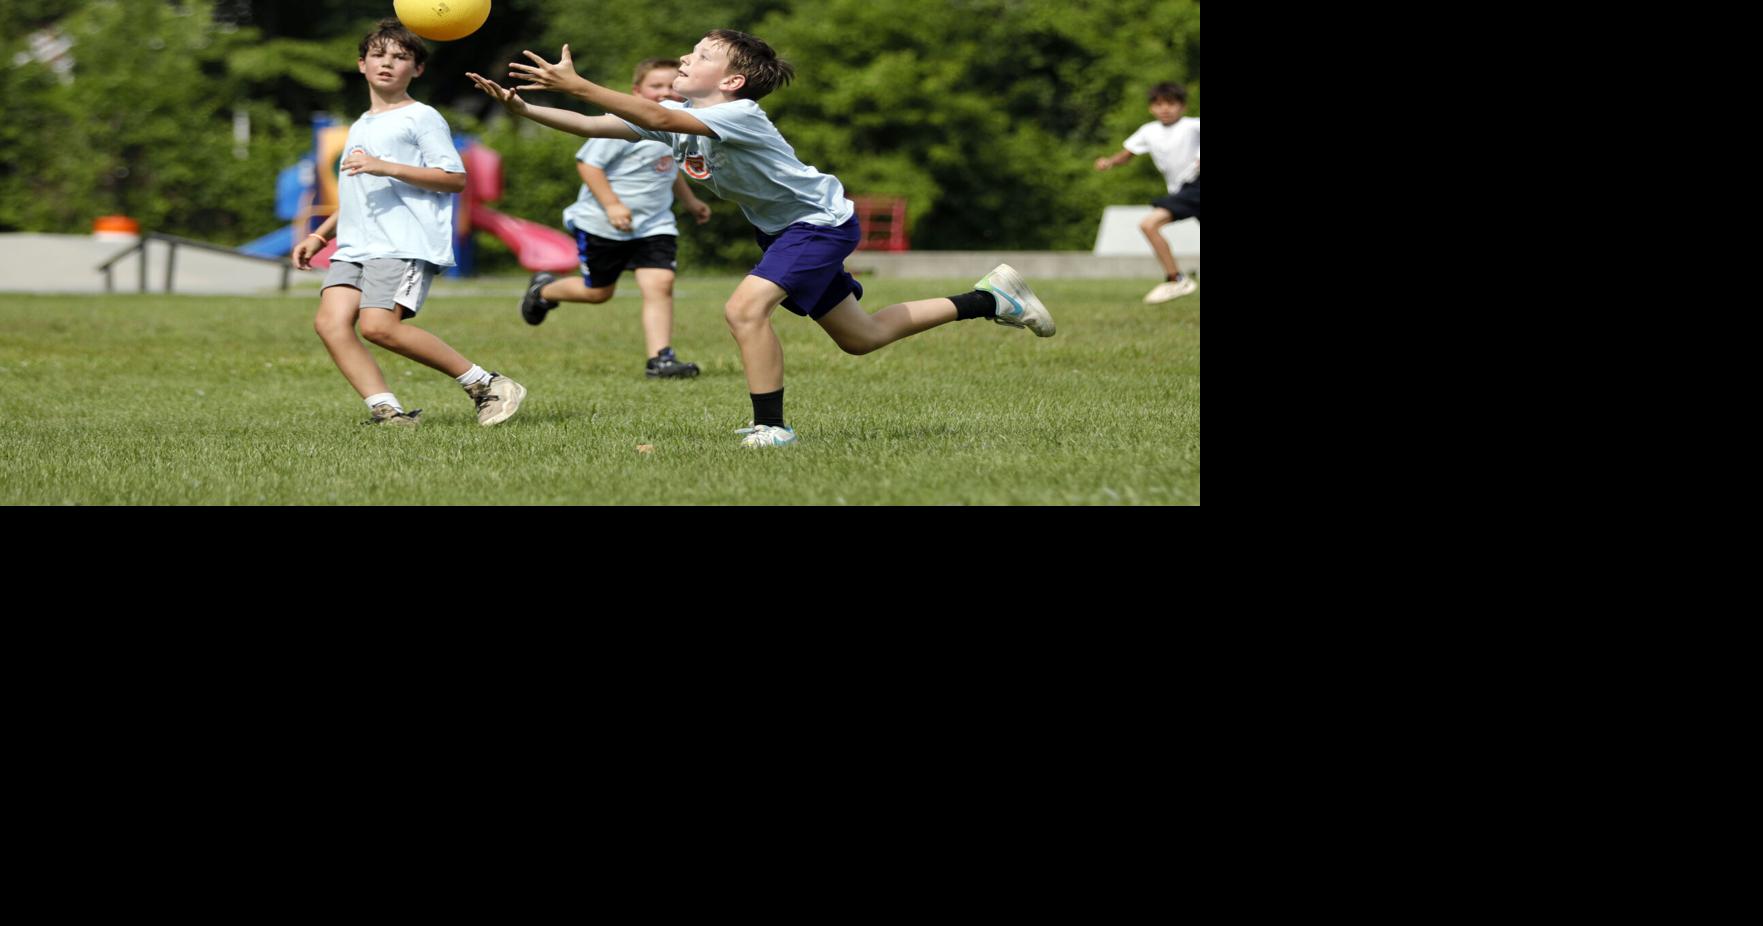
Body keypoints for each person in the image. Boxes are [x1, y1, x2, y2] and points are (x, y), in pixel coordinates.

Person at [468, 30, 1053, 448]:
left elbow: (656, 119)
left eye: (697, 54)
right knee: (861, 335)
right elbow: (599, 126)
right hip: (783, 232)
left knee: (744, 310)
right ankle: (991, 299)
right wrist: (524, 107)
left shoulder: (738, 114)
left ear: (732, 80)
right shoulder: (681, 115)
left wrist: (579, 84)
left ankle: (772, 426)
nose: (682, 57)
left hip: (816, 225)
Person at [294, 18, 525, 428]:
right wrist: (319, 234)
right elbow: (356, 193)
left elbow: (454, 179)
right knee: (329, 323)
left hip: (401, 243)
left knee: (379, 327)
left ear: (416, 70)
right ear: (361, 64)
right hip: (355, 245)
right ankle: (388, 412)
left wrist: (386, 166)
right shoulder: (362, 124)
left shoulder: (422, 117)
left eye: (400, 57)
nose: (388, 64)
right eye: (378, 55)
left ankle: (486, 384)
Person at [520, 56, 714, 379]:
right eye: (656, 86)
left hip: (655, 223)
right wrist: (611, 205)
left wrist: (691, 201)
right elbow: (588, 165)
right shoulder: (625, 124)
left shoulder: (677, 123)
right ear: (636, 92)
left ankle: (660, 359)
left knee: (660, 283)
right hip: (602, 222)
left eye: (671, 85)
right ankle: (543, 291)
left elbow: (670, 168)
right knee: (598, 293)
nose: (665, 92)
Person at [1094, 82, 1200, 304]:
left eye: (1171, 103)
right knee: (1149, 226)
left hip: (1196, 185)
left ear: (1182, 106)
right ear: (1151, 108)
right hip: (1183, 190)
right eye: (1159, 104)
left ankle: (1175, 279)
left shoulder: (1192, 125)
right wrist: (1110, 162)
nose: (1165, 109)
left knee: (1149, 225)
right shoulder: (1149, 131)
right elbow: (1129, 153)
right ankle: (1176, 279)